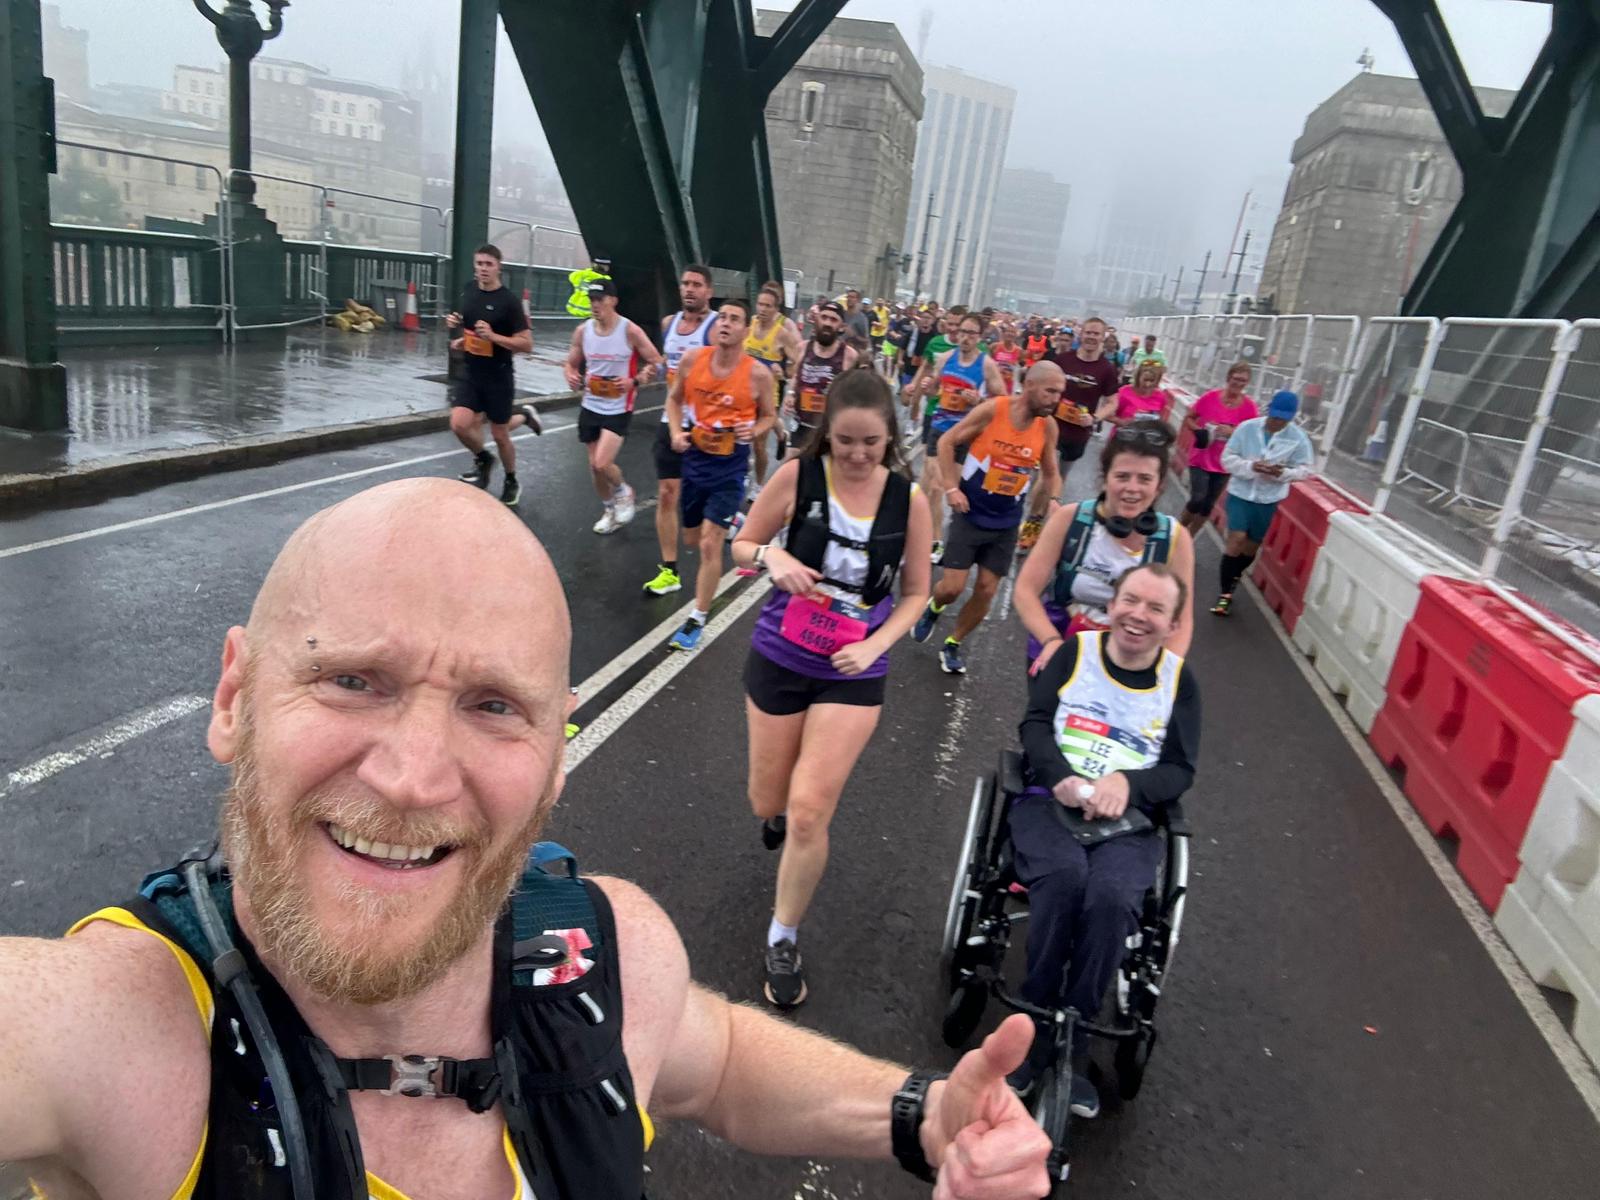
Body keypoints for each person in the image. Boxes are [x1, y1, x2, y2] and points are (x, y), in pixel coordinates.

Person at [0, 478, 1053, 1199]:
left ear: (554, 762)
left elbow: (721, 1062)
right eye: (353, 679)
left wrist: (922, 1115)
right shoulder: (111, 1030)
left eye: (495, 706)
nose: (413, 777)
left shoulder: (607, 958)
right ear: (234, 698)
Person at [730, 370, 934, 1008]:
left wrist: (876, 645)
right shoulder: (798, 475)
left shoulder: (908, 500)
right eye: (845, 440)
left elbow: (917, 592)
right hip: (782, 653)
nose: (857, 454)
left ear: (889, 436)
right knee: (768, 800)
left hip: (853, 668)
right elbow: (743, 544)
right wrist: (773, 558)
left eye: (870, 442)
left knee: (810, 810)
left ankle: (783, 936)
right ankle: (778, 815)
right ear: (828, 433)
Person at [1012, 562, 1201, 1117]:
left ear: (1172, 624)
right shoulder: (1076, 653)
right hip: (1051, 802)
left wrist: (1129, 784)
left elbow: (1180, 769)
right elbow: (1036, 723)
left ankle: (1075, 1035)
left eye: (1156, 608)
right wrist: (1060, 777)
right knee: (1064, 880)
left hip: (1126, 821)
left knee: (1113, 899)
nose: (1139, 615)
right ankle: (1034, 1020)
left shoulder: (1179, 682)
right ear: (1112, 604)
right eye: (1131, 601)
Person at [910, 361, 1064, 674]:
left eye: (1059, 393)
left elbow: (1051, 473)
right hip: (970, 512)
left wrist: (1055, 502)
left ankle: (953, 643)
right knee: (952, 588)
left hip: (1006, 520)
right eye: (1050, 391)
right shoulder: (994, 410)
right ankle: (934, 607)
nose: (1055, 399)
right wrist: (951, 488)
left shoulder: (1047, 427)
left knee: (986, 590)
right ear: (1029, 386)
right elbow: (947, 441)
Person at [1014, 424, 1195, 672]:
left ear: (1159, 486)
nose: (1132, 488)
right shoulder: (1070, 519)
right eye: (1122, 476)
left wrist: (1163, 674)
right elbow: (1025, 590)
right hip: (1061, 646)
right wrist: (1051, 641)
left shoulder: (1175, 538)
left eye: (1145, 479)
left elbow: (1181, 620)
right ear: (1105, 479)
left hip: (1133, 659)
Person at [666, 298, 777, 651]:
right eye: (722, 318)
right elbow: (673, 400)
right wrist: (676, 432)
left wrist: (754, 430)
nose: (726, 323)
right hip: (696, 460)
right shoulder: (692, 360)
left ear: (746, 329)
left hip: (730, 467)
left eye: (735, 319)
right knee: (690, 539)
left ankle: (697, 618)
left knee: (709, 543)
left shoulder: (758, 374)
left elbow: (770, 416)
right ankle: (734, 522)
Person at [641, 265, 719, 597]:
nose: (690, 289)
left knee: (701, 497)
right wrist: (653, 371)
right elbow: (668, 364)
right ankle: (670, 570)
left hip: (705, 423)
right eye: (686, 283)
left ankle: (729, 518)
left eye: (697, 285)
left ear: (709, 291)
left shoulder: (716, 328)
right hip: (671, 420)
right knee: (667, 493)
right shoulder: (668, 324)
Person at [565, 278, 664, 535]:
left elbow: (656, 362)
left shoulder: (629, 331)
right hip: (590, 405)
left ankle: (623, 492)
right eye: (592, 300)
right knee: (594, 468)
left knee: (602, 463)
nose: (595, 305)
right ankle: (609, 509)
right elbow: (571, 363)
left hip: (618, 407)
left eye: (600, 300)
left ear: (613, 301)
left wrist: (635, 381)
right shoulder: (583, 331)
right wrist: (571, 375)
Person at [905, 312, 1008, 559]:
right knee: (936, 486)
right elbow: (934, 392)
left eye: (971, 333)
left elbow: (1003, 400)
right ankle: (935, 541)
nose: (965, 338)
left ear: (979, 337)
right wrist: (927, 388)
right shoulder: (945, 358)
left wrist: (979, 400)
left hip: (966, 433)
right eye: (962, 332)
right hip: (940, 427)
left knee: (957, 489)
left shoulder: (986, 364)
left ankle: (960, 536)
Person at [445, 244, 540, 507]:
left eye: (488, 264)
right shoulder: (469, 290)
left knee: (500, 434)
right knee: (459, 424)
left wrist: (494, 336)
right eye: (479, 264)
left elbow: (526, 344)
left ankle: (511, 479)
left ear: (499, 267)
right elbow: (470, 330)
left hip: (499, 376)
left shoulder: (509, 302)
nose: (483, 269)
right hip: (472, 373)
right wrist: (459, 335)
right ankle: (484, 459)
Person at [1212, 389, 1315, 616]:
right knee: (1236, 539)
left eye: (1283, 419)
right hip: (1240, 493)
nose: (1277, 422)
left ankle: (1234, 575)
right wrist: (1251, 466)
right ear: (1268, 411)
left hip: (1268, 498)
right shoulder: (1246, 428)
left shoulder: (1298, 438)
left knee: (1251, 546)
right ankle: (1225, 594)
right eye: (1274, 416)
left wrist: (1283, 473)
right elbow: (1227, 458)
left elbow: (1306, 469)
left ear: (1291, 418)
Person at [1040, 316, 1120, 493]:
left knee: (1060, 477)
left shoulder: (1107, 369)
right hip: (1052, 425)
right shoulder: (1063, 360)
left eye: (1096, 334)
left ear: (1103, 337)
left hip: (1078, 433)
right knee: (1045, 474)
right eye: (1088, 332)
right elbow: (1044, 385)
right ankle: (1037, 508)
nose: (1091, 337)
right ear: (1081, 334)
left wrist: (1094, 418)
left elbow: (1113, 402)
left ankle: (1051, 504)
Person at [1180, 361, 1257, 538]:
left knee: (1208, 505)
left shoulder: (1250, 408)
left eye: (1243, 380)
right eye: (1236, 378)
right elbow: (1189, 418)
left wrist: (1233, 432)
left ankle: (1189, 538)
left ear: (1247, 383)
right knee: (1197, 499)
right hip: (1201, 458)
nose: (1238, 383)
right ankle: (1176, 533)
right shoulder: (1209, 398)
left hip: (1225, 464)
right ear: (1228, 378)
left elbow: (1252, 436)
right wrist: (1198, 430)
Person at [744, 282, 803, 490]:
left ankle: (758, 485)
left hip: (768, 397)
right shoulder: (749, 325)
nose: (763, 309)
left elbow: (798, 361)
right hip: (743, 393)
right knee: (738, 440)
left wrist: (785, 372)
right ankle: (742, 473)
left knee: (758, 445)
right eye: (760, 304)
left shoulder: (782, 333)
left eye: (768, 306)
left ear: (776, 309)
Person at [784, 301, 857, 456]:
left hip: (829, 428)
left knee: (823, 469)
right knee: (791, 464)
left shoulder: (849, 355)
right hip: (801, 424)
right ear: (817, 320)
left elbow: (856, 394)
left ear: (842, 327)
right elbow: (796, 375)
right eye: (824, 317)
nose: (827, 323)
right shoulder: (803, 348)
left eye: (833, 320)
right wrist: (790, 395)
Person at [1110, 359, 1169, 426]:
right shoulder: (1124, 392)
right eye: (1145, 380)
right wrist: (1121, 422)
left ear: (1158, 380)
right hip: (1124, 431)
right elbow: (1107, 414)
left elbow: (1161, 420)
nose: (1147, 384)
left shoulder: (1161, 397)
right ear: (1138, 377)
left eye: (1152, 381)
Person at [990, 324, 1023, 393]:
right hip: (994, 383)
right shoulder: (994, 346)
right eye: (1008, 331)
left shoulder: (1019, 350)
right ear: (1003, 333)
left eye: (1013, 332)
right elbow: (988, 363)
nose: (1010, 334)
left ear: (1016, 335)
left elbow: (1020, 368)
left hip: (1008, 387)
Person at [840, 288, 873, 355]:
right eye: (848, 297)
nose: (849, 299)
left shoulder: (862, 318)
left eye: (852, 297)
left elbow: (866, 342)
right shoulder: (841, 314)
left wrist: (854, 335)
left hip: (852, 354)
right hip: (838, 352)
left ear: (857, 300)